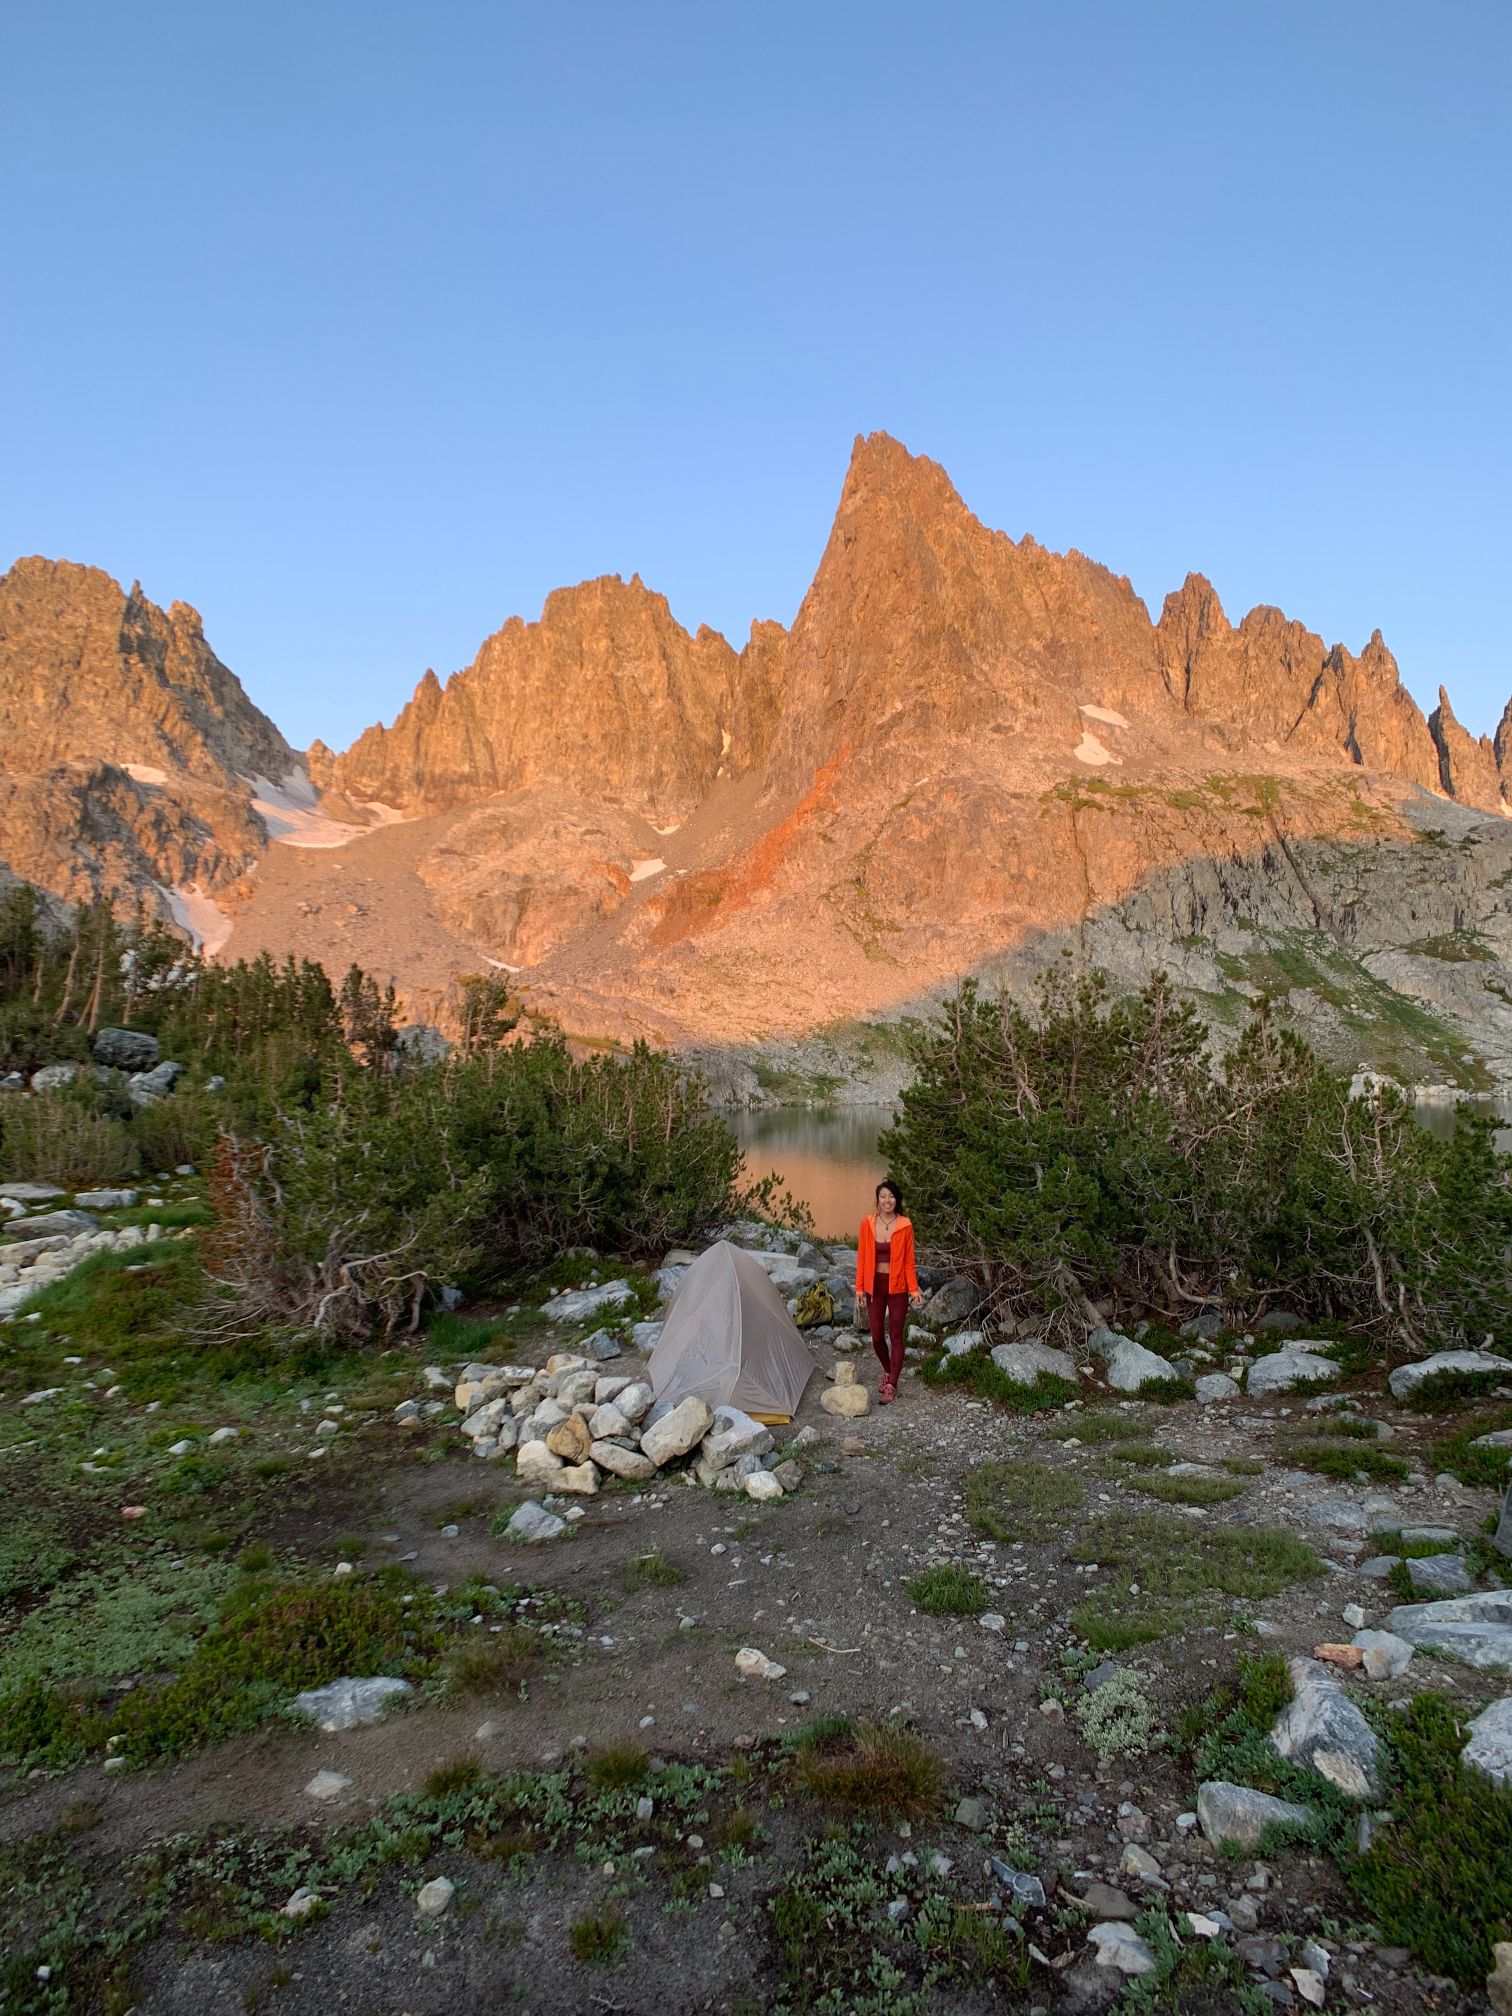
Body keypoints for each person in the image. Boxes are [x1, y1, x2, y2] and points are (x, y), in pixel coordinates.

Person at [855, 1177, 921, 1404]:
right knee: (876, 1336)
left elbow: (909, 1262)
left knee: (896, 1335)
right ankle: (887, 1369)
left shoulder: (905, 1225)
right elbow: (862, 1258)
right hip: (875, 1287)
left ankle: (892, 1383)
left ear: (897, 1200)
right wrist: (859, 1289)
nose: (887, 1200)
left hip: (898, 1287)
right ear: (877, 1200)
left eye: (891, 1196)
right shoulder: (867, 1224)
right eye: (883, 1196)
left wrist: (913, 1289)